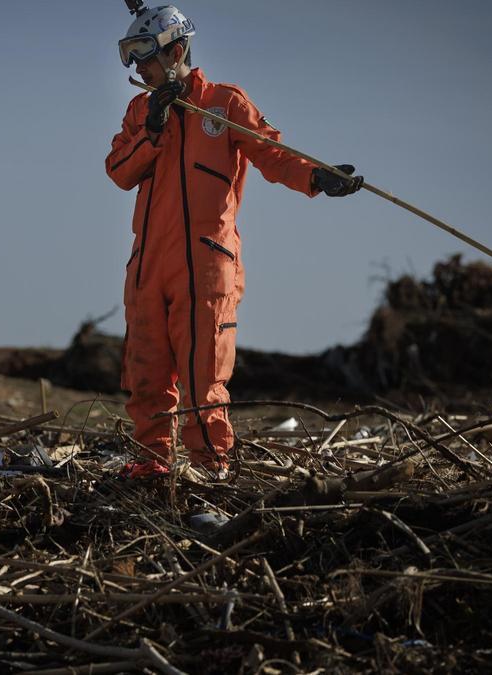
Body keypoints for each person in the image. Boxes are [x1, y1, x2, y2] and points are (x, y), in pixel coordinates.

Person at [105, 6, 363, 480]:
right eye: (132, 59)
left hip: (206, 264)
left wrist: (317, 176)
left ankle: (209, 467)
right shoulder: (140, 111)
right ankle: (152, 464)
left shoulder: (224, 105)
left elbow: (273, 153)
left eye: (145, 57)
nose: (138, 69)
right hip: (147, 266)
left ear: (176, 49)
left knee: (206, 374)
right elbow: (119, 171)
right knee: (146, 373)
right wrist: (153, 131)